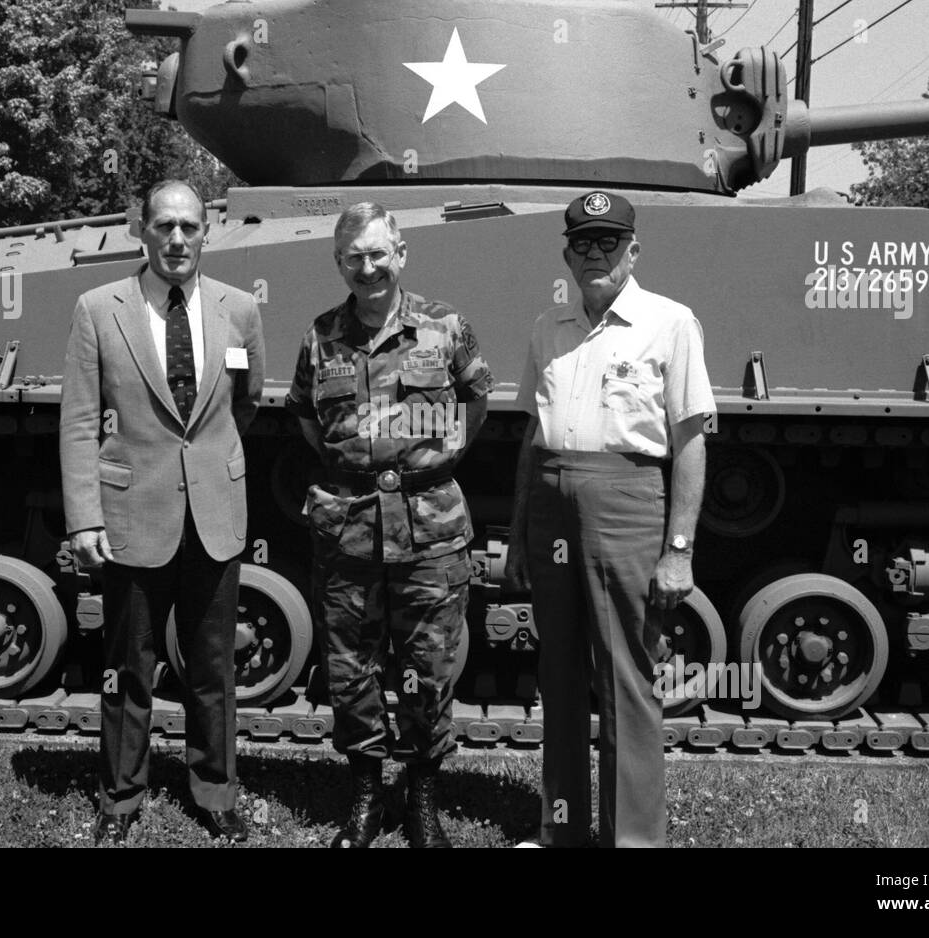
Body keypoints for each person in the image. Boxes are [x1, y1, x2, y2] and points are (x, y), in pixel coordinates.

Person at [505, 190, 714, 848]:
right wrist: (516, 535)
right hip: (552, 501)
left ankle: (633, 839)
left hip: (627, 502)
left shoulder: (670, 323)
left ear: (634, 250)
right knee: (559, 675)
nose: (596, 253)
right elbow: (531, 439)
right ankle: (562, 828)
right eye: (583, 242)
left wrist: (678, 548)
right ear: (566, 252)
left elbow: (690, 442)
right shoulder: (549, 327)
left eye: (610, 242)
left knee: (626, 676)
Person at [60, 179, 263, 844]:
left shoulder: (239, 308)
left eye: (191, 227)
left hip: (214, 515)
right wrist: (85, 516)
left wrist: (208, 463)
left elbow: (246, 403)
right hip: (131, 514)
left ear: (208, 233)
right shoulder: (98, 308)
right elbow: (81, 419)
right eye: (165, 226)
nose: (178, 240)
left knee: (213, 669)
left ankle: (215, 790)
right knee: (128, 668)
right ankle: (120, 796)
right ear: (139, 229)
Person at [285, 201, 493, 848]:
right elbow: (304, 417)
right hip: (348, 529)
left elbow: (477, 400)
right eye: (354, 257)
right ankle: (368, 796)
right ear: (339, 263)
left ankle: (423, 799)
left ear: (400, 254)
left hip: (430, 530)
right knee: (351, 672)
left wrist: (439, 456)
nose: (368, 267)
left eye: (379, 254)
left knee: (428, 671)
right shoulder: (321, 337)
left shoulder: (446, 327)